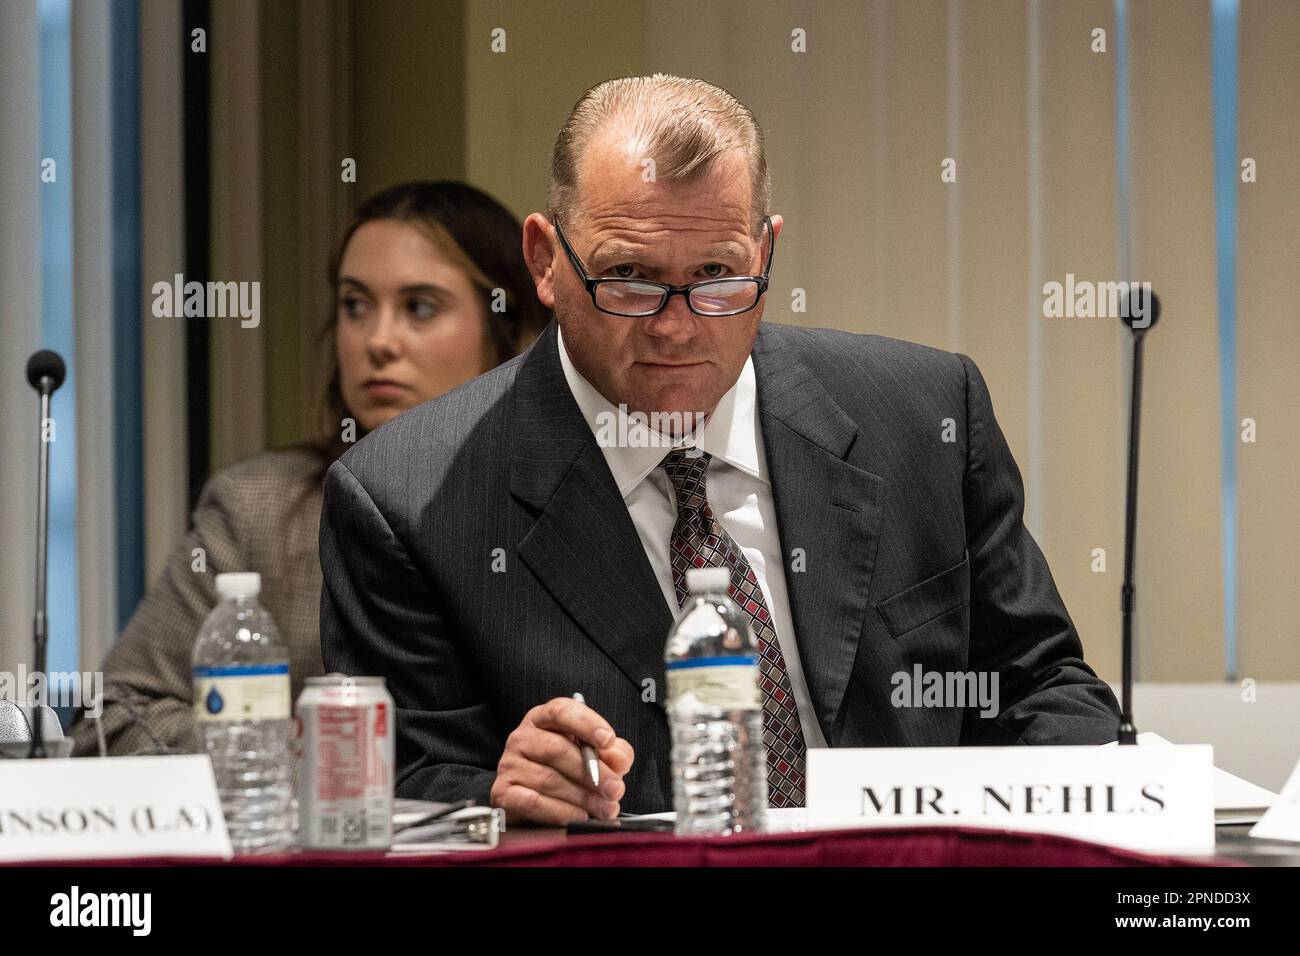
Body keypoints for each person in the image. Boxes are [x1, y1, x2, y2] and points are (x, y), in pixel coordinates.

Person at [319, 75, 1122, 824]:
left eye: (716, 274)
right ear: (546, 261)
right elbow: (408, 793)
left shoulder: (923, 418)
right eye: (628, 275)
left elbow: (1042, 689)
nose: (676, 325)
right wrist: (509, 795)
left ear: (765, 254)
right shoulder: (407, 499)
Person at [71, 181, 548, 756]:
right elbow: (115, 719)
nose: (377, 340)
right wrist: (296, 749)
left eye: (419, 308)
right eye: (355, 305)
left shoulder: (565, 497)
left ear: (510, 329)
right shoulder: (258, 509)